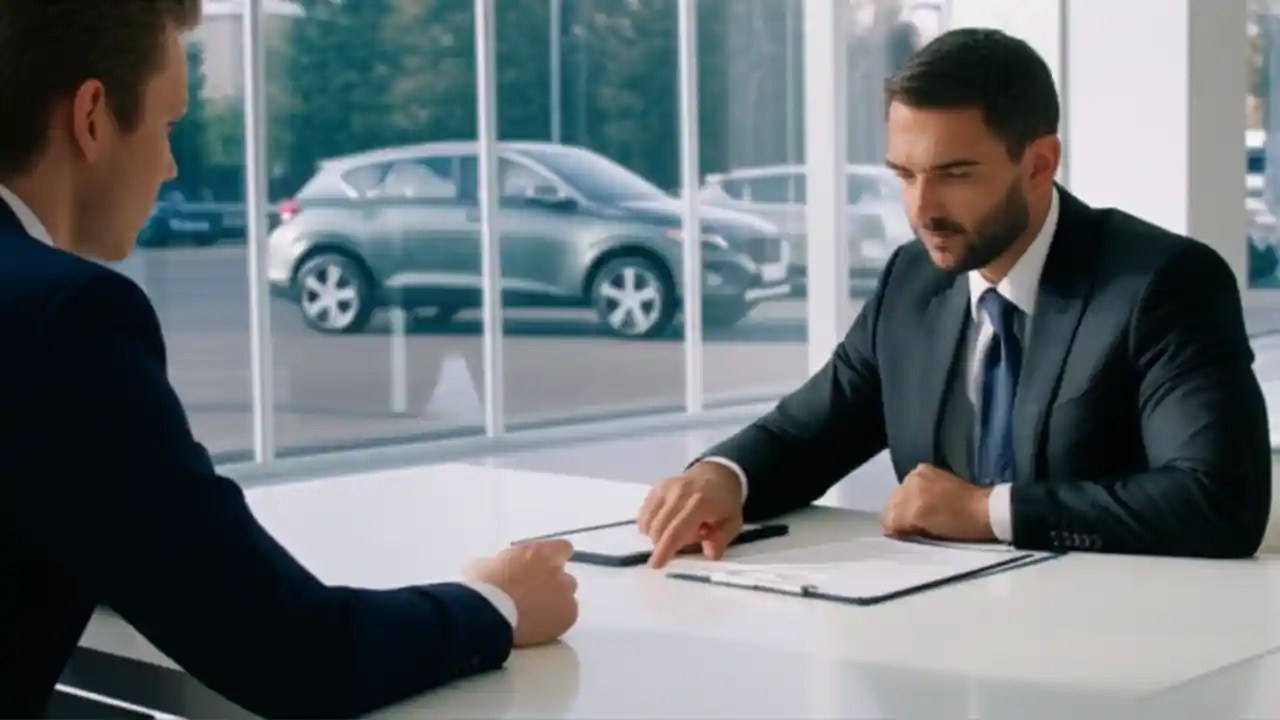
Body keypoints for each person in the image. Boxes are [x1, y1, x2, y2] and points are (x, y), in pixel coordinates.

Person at [0, 1, 578, 717]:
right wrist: (498, 603)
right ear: (91, 117)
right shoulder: (66, 321)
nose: (171, 165)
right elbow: (295, 654)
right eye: (167, 124)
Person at [639, 27, 1272, 567]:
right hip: (935, 639)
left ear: (1039, 163)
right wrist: (721, 478)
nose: (922, 209)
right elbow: (806, 433)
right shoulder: (911, 283)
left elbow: (1218, 503)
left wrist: (985, 511)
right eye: (905, 175)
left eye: (954, 175)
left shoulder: (1163, 282)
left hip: (1122, 658)